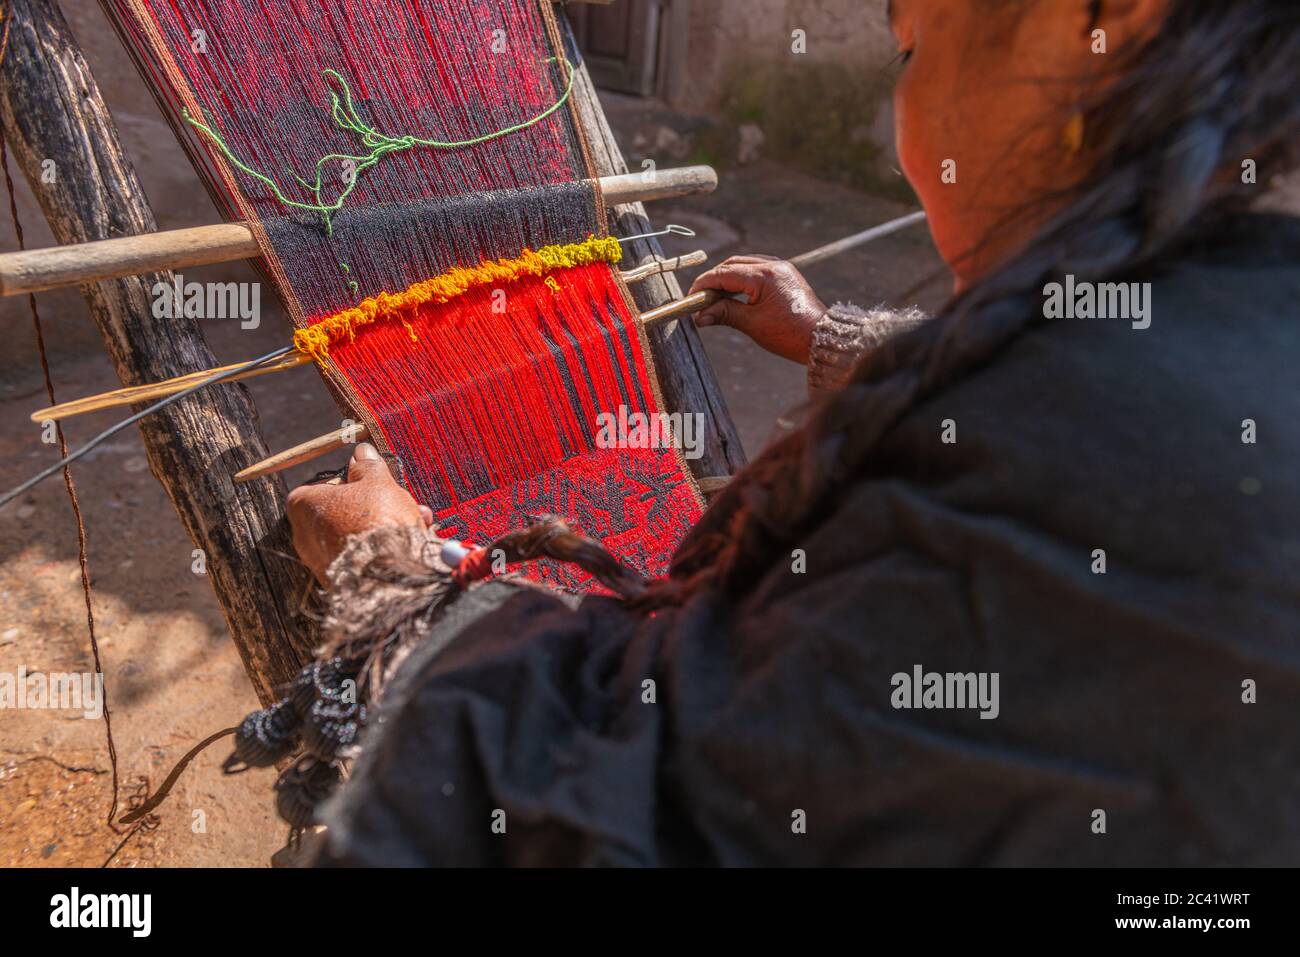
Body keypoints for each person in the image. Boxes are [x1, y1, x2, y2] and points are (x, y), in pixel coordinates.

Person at [288, 0, 1300, 865]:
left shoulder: (1078, 476)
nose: (909, 137)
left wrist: (395, 578)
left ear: (1109, 19)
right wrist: (831, 340)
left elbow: (612, 820)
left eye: (912, 49)